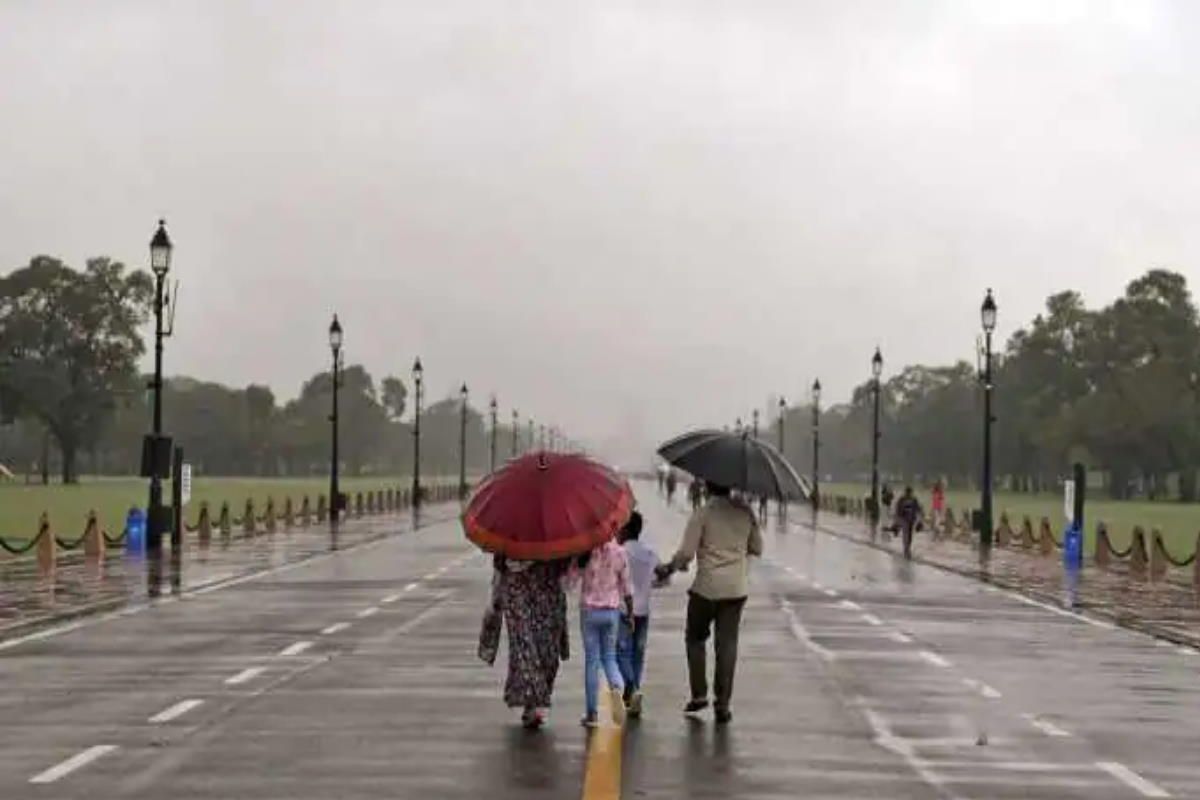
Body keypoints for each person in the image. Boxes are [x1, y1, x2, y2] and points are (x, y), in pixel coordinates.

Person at [657, 481, 762, 725]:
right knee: (727, 646)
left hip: (705, 589)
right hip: (735, 590)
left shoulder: (702, 514)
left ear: (706, 487)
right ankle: (723, 704)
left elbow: (686, 553)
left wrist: (670, 568)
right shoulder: (745, 512)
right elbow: (757, 547)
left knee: (695, 639)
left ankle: (699, 693)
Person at [485, 555, 570, 730]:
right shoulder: (553, 533)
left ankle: (533, 703)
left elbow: (499, 563)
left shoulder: (511, 533)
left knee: (537, 650)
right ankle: (534, 704)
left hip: (530, 591)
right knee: (530, 649)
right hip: (535, 592)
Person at [568, 536, 633, 727]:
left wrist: (575, 562)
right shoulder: (620, 552)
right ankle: (616, 688)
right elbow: (627, 588)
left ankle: (592, 713)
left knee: (592, 662)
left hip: (589, 612)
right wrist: (629, 613)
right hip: (611, 612)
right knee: (610, 657)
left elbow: (570, 582)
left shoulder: (584, 552)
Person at [616, 511, 660, 717]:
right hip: (644, 610)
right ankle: (633, 692)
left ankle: (631, 688)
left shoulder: (620, 553)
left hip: (624, 609)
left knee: (622, 652)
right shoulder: (649, 554)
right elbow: (661, 577)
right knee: (638, 653)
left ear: (624, 530)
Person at [895, 486, 923, 560]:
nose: (909, 494)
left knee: (909, 535)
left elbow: (918, 508)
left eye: (910, 492)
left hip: (911, 520)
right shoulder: (902, 499)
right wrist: (897, 519)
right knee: (906, 534)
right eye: (909, 492)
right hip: (904, 519)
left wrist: (920, 517)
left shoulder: (913, 499)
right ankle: (906, 549)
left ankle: (907, 548)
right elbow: (898, 509)